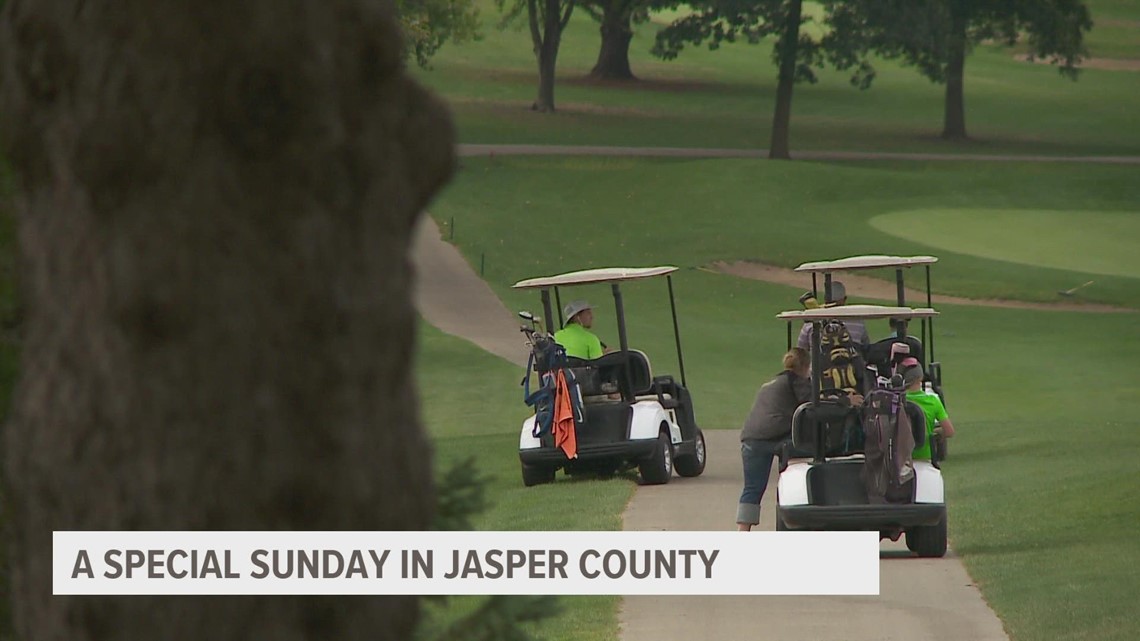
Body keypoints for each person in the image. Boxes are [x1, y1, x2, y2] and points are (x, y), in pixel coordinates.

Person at [736, 348, 812, 531]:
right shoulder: (796, 381)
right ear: (805, 366)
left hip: (751, 438)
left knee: (752, 488)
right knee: (799, 468)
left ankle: (742, 531)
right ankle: (792, 519)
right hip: (777, 437)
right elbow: (812, 403)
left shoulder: (771, 383)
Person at [899, 361, 955, 461]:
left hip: (902, 461)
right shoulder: (933, 401)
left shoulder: (896, 401)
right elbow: (949, 431)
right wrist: (932, 432)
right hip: (925, 459)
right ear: (920, 378)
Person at [795, 281, 870, 350]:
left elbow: (801, 350)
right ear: (844, 299)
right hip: (852, 360)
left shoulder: (812, 321)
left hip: (819, 360)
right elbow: (865, 347)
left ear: (825, 299)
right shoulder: (858, 322)